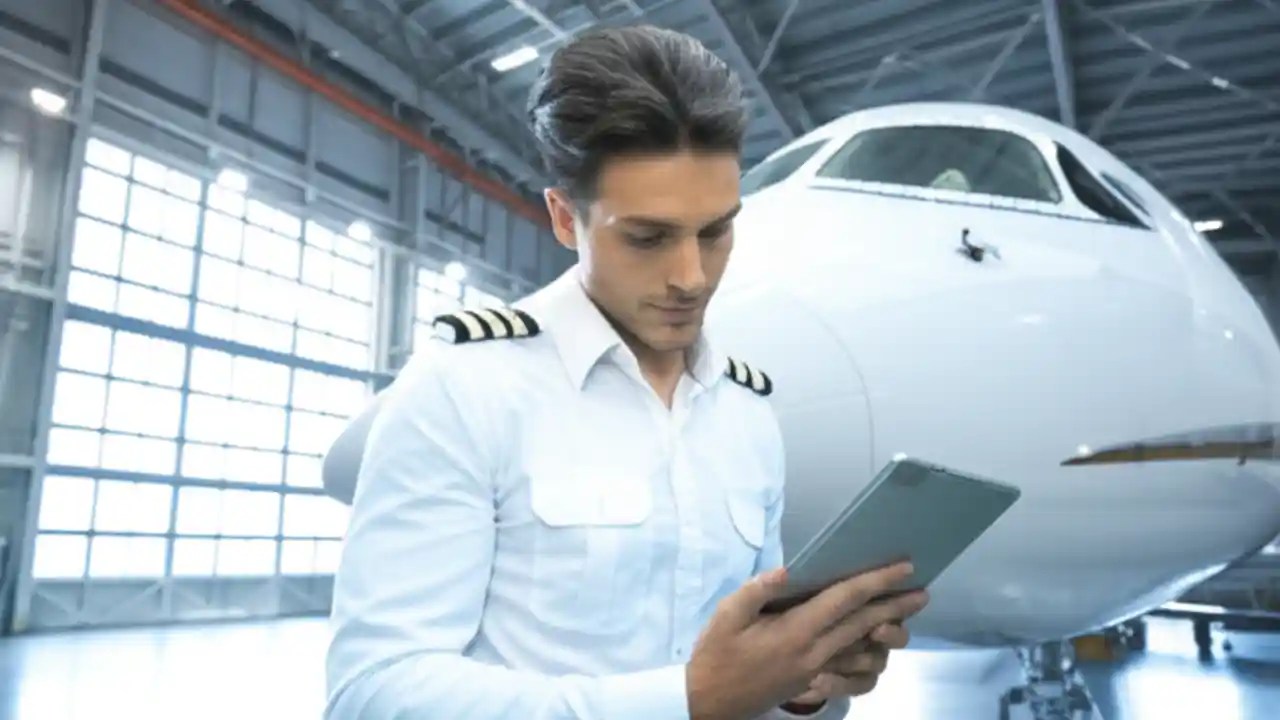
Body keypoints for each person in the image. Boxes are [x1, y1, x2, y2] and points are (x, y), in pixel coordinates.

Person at [324, 24, 929, 720]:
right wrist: (688, 700)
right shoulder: (464, 390)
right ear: (564, 219)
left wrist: (799, 686)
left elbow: (748, 674)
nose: (691, 277)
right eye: (647, 237)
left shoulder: (747, 414)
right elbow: (371, 695)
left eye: (715, 231)